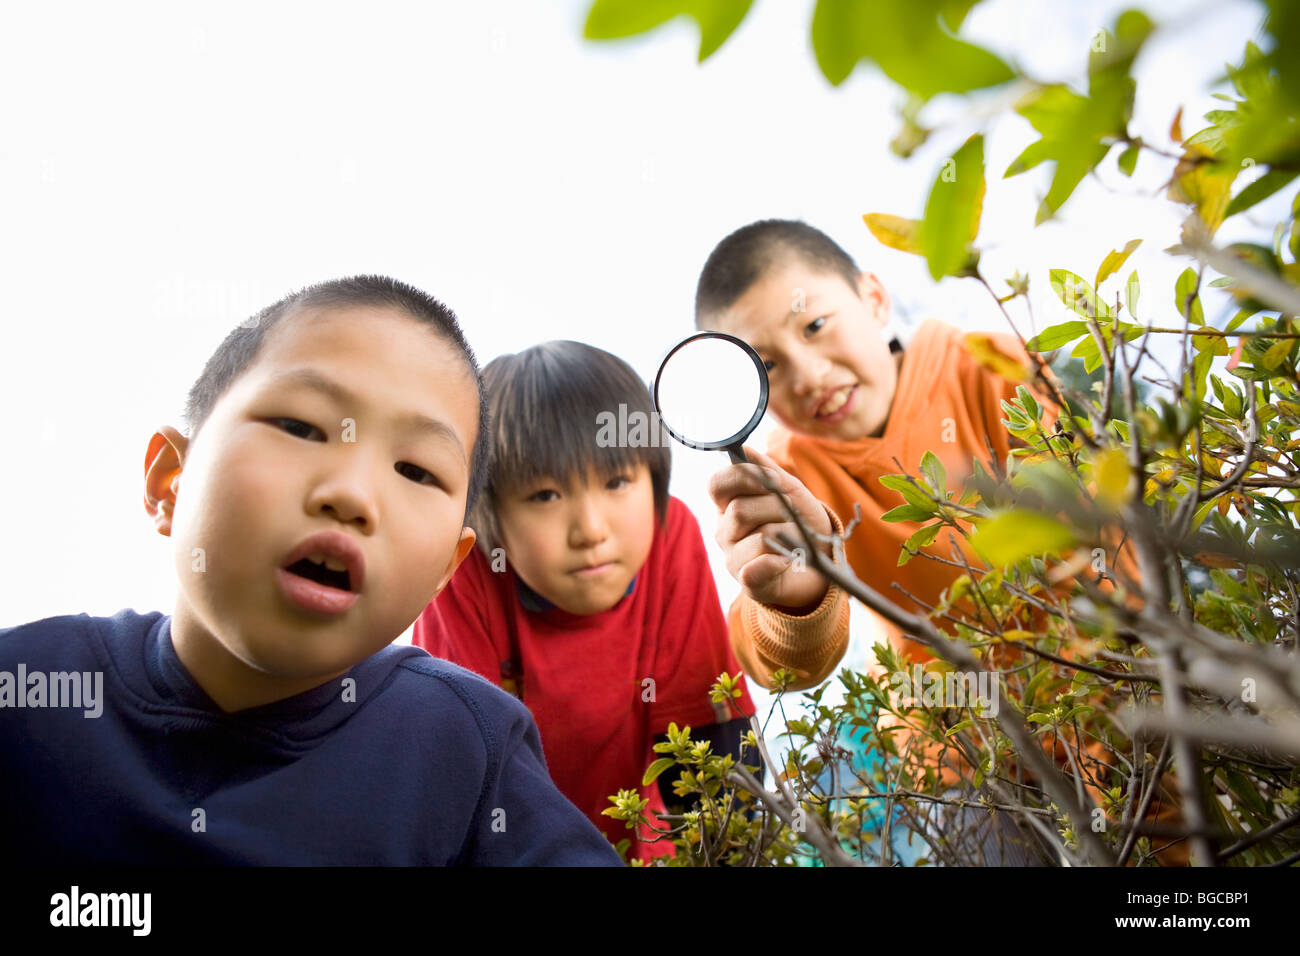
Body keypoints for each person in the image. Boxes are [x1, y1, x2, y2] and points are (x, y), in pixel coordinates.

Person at [0, 276, 621, 866]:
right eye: (301, 426)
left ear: (444, 570)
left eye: (416, 470)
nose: (352, 494)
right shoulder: (28, 687)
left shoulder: (466, 747)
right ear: (170, 481)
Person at [697, 219, 1187, 865]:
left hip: (1104, 706)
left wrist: (1112, 747)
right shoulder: (786, 477)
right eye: (767, 365)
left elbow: (1104, 565)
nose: (809, 375)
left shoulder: (990, 371)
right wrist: (796, 597)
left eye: (815, 325)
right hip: (961, 766)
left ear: (873, 298)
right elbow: (782, 665)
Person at [414, 341, 756, 862]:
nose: (591, 531)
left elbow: (710, 745)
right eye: (545, 496)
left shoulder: (670, 535)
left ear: (654, 479)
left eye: (617, 481)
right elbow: (461, 781)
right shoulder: (463, 569)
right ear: (490, 516)